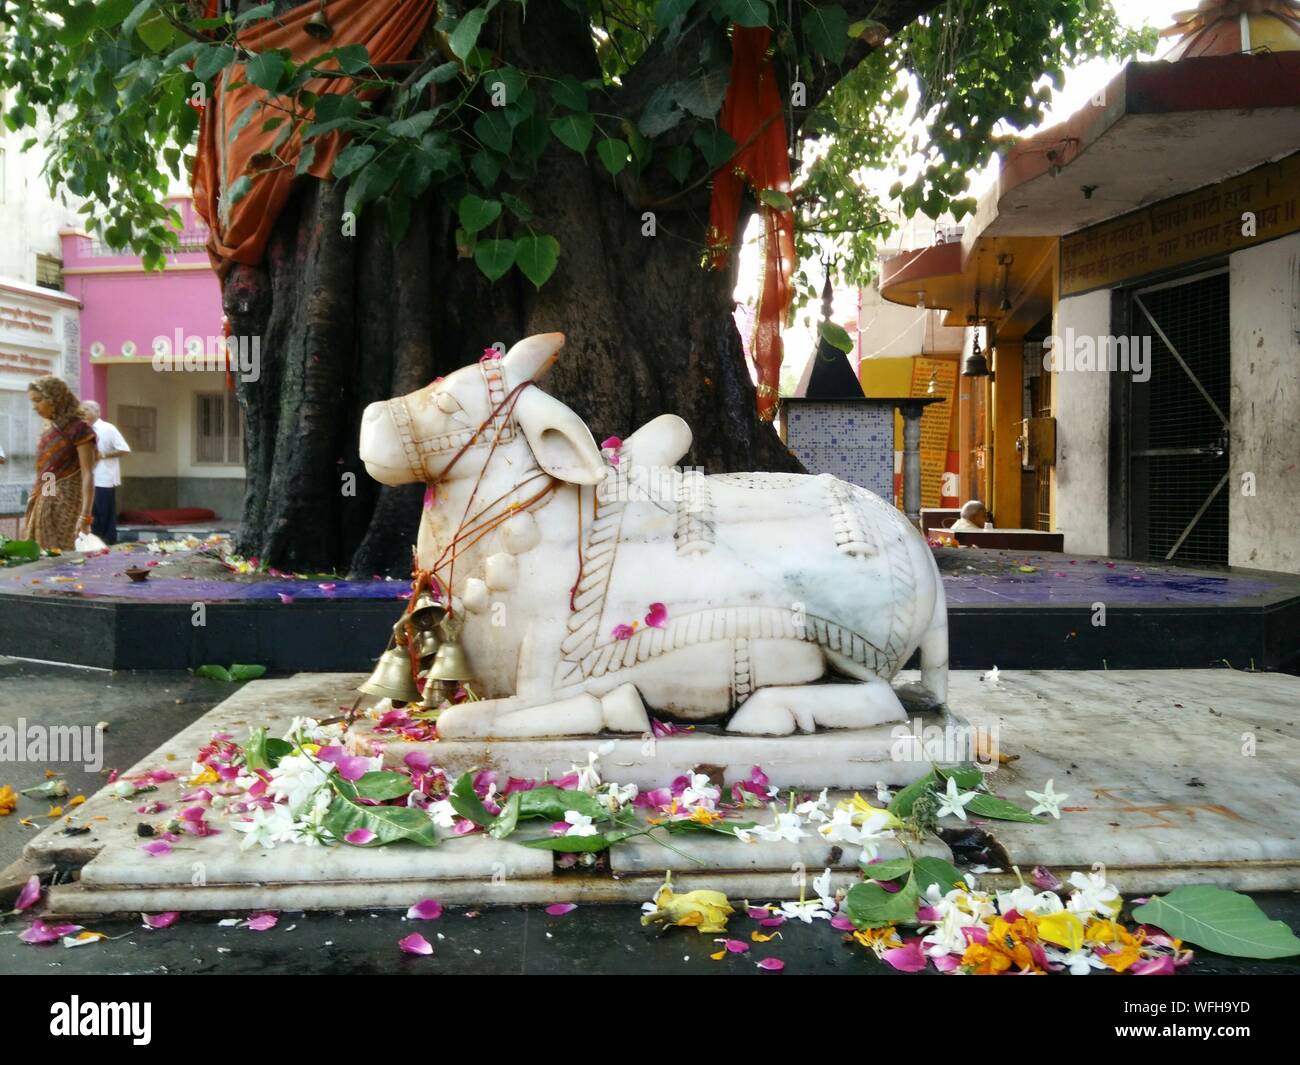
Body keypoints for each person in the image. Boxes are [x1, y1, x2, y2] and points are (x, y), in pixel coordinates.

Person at [23, 375, 96, 551]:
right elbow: (47, 471)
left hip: (68, 496)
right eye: (33, 402)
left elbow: (88, 473)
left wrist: (84, 515)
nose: (35, 407)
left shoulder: (79, 429)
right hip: (46, 492)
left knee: (62, 552)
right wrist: (41, 498)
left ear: (55, 399)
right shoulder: (48, 428)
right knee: (41, 550)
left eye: (38, 401)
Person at [82, 400, 131, 545]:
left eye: (86, 409)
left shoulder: (108, 429)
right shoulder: (82, 429)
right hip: (87, 477)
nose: (83, 412)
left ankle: (107, 540)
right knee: (91, 511)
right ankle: (93, 540)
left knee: (104, 511)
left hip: (104, 477)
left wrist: (103, 455)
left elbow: (124, 449)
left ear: (97, 412)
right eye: (81, 410)